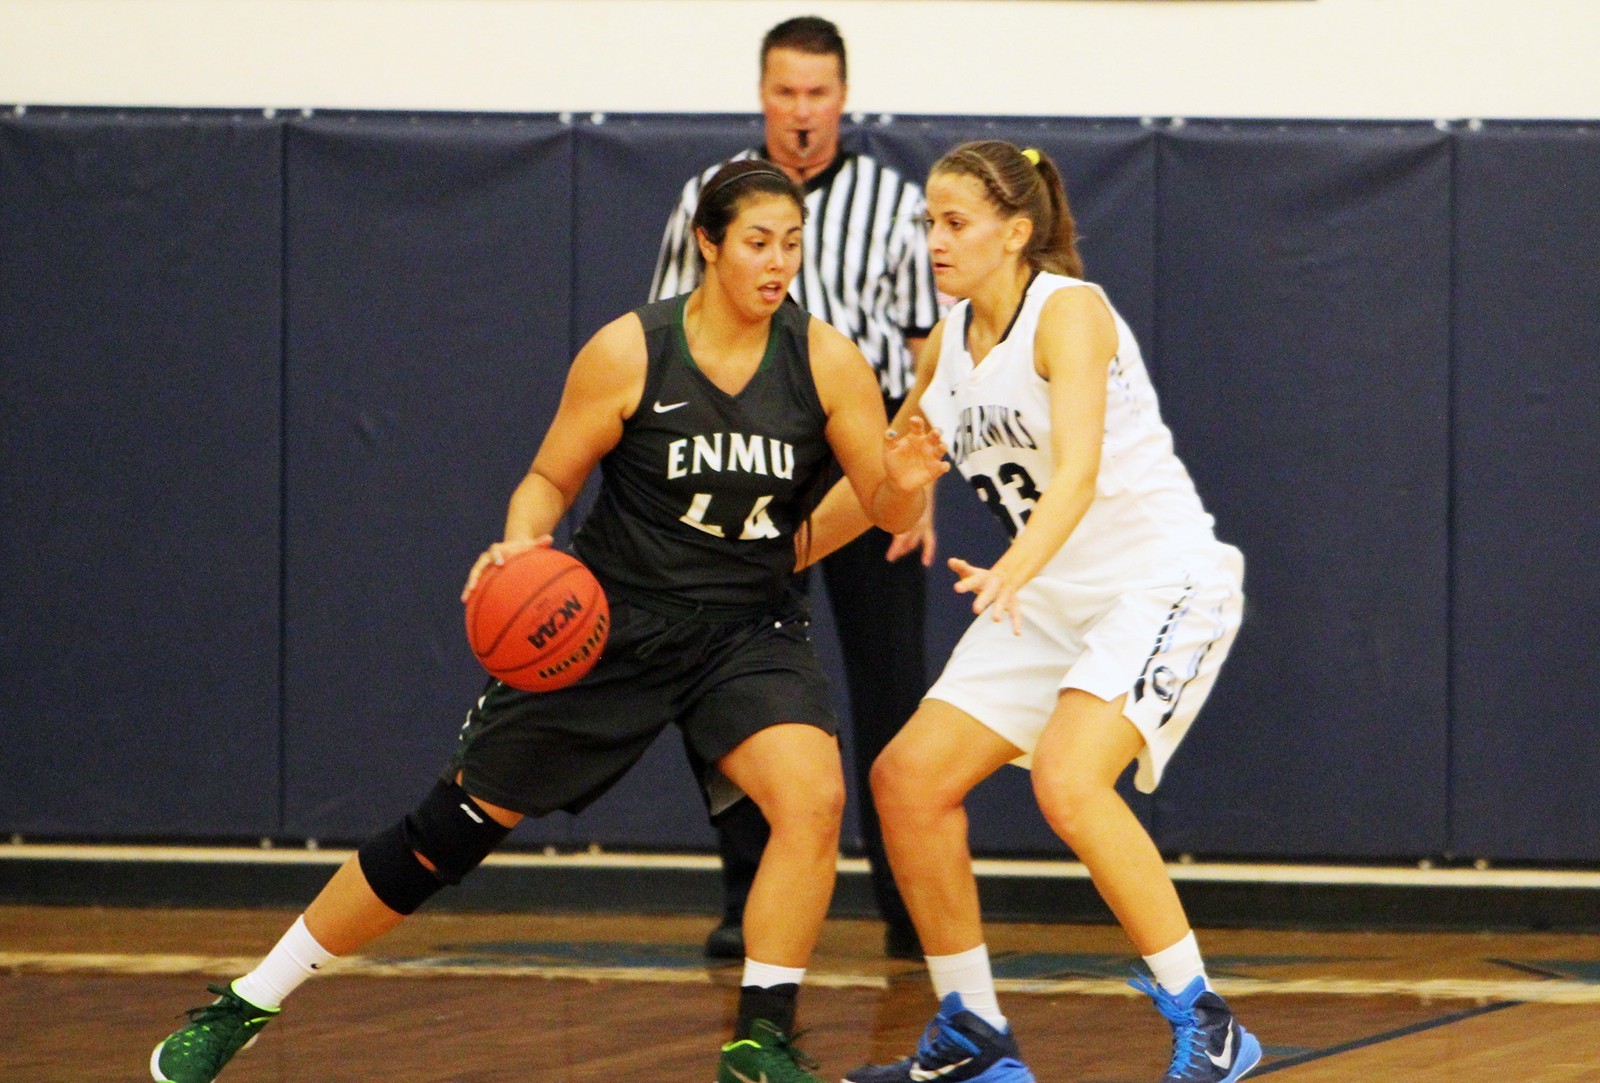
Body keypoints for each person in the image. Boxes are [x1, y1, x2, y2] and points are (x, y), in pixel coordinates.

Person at [148, 159, 949, 1083]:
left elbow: (882, 509)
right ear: (709, 243)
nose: (779, 264)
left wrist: (906, 484)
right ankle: (248, 999)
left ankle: (759, 1040)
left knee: (813, 798)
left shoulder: (826, 359)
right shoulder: (630, 351)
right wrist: (523, 545)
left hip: (745, 626)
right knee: (450, 827)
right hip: (617, 619)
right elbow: (547, 482)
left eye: (793, 245)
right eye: (759, 243)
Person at [828, 141, 1261, 1083]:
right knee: (907, 779)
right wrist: (775, 553)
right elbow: (885, 490)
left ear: (1015, 230)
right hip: (1046, 590)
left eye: (955, 222)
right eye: (928, 222)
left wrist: (1015, 568)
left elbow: (1076, 477)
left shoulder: (1071, 311)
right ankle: (975, 1032)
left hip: (1158, 579)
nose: (934, 241)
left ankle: (1211, 1020)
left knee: (1068, 780)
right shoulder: (946, 345)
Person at [651, 14, 942, 962]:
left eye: (819, 93)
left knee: (891, 685)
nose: (803, 112)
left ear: (844, 97)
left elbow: (927, 348)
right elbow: (662, 333)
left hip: (859, 458)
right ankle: (748, 898)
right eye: (786, 91)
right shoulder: (709, 196)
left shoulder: (898, 203)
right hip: (741, 466)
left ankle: (909, 906)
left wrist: (914, 477)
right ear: (761, 93)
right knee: (732, 680)